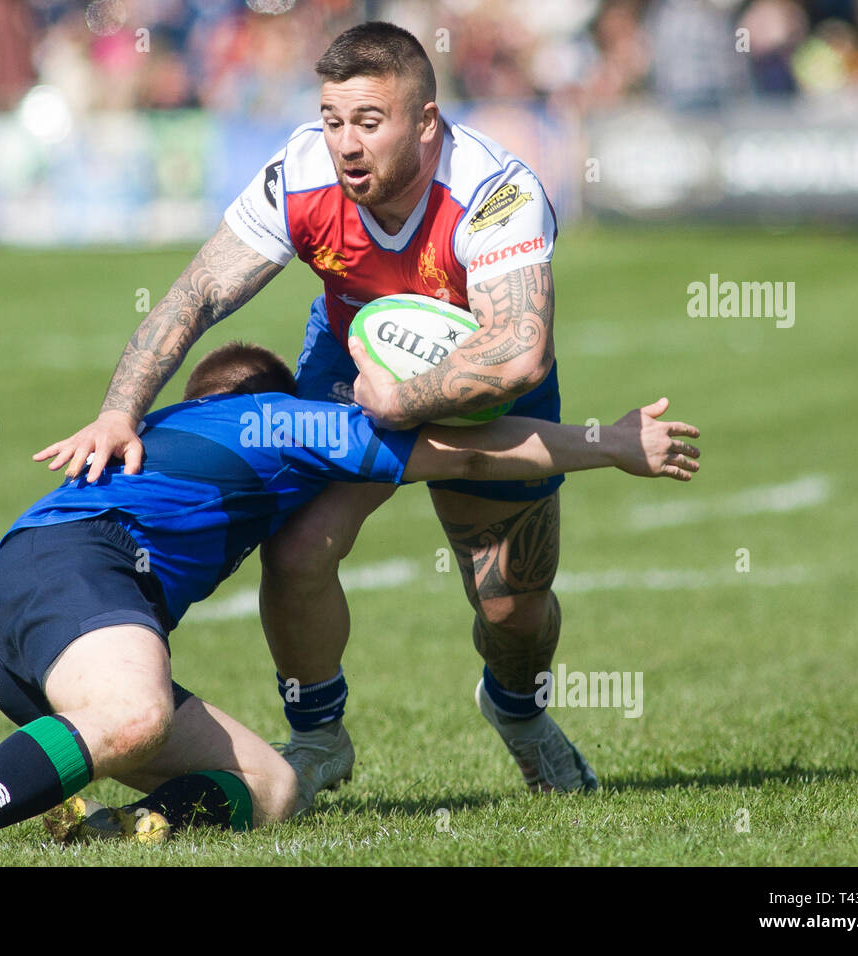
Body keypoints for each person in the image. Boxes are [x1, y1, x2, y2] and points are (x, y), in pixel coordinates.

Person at [36, 22, 622, 811]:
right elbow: (199, 291)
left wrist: (400, 399)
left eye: (369, 122)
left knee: (512, 609)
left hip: (484, 387)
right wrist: (118, 411)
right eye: (333, 119)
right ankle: (317, 736)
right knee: (301, 546)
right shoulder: (303, 170)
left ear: (426, 122)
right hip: (351, 360)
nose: (346, 144)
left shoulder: (495, 193)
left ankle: (517, 711)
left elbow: (518, 354)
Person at [0, 342, 700, 851]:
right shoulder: (279, 420)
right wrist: (609, 443)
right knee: (136, 714)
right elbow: (465, 452)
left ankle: (124, 825)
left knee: (272, 788)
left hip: (17, 627)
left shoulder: (181, 424)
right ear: (270, 396)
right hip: (83, 566)